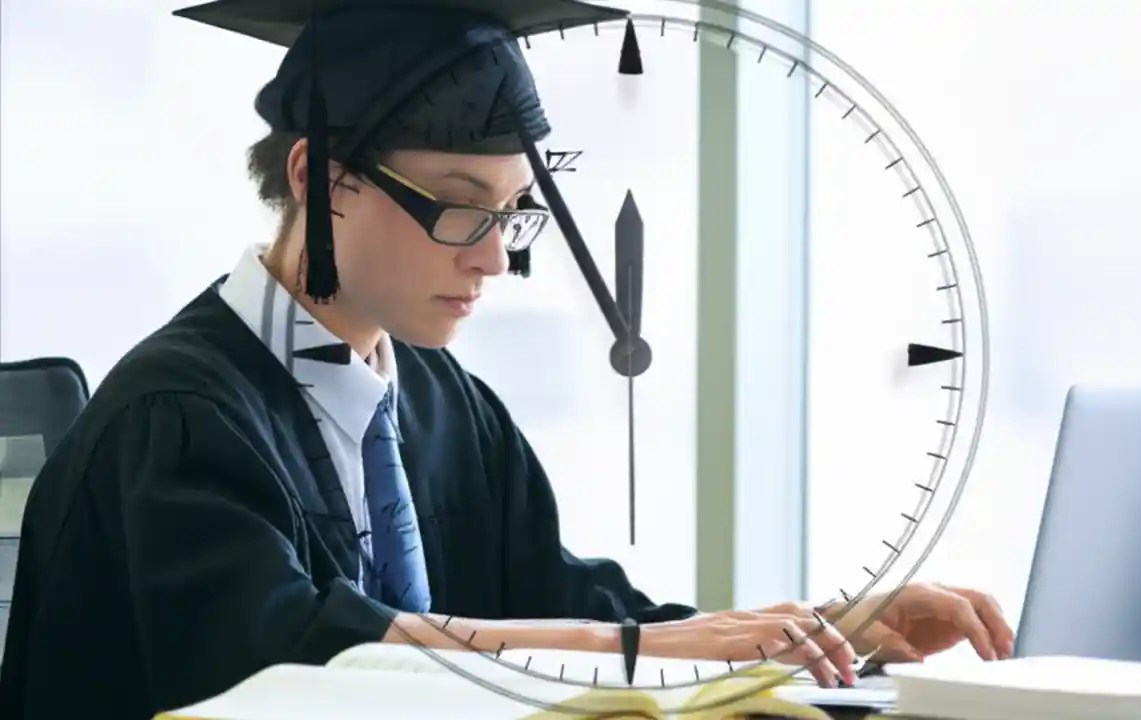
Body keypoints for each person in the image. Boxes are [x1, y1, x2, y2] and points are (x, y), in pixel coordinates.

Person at [0, 1, 1014, 718]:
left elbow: (565, 611)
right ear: (318, 178)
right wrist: (639, 650)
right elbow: (301, 662)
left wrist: (828, 630)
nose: (493, 258)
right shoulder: (179, 420)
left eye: (512, 213)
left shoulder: (444, 403)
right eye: (457, 208)